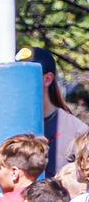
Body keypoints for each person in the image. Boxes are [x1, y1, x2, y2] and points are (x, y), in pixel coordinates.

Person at [18, 46, 89, 178]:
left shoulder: (78, 132)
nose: (17, 83)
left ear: (47, 79)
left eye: (24, 77)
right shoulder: (8, 124)